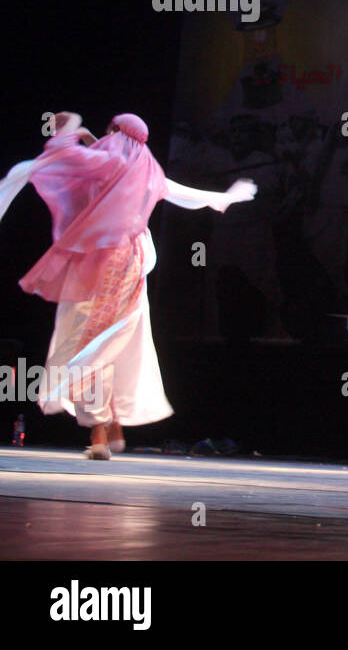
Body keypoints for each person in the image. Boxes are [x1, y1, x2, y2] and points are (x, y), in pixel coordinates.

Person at [0, 112, 256, 459]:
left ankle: (100, 434)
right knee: (119, 342)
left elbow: (63, 156)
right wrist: (221, 198)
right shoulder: (147, 169)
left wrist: (71, 128)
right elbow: (181, 193)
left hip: (101, 262)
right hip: (132, 264)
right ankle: (112, 425)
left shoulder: (105, 162)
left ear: (115, 132)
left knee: (93, 341)